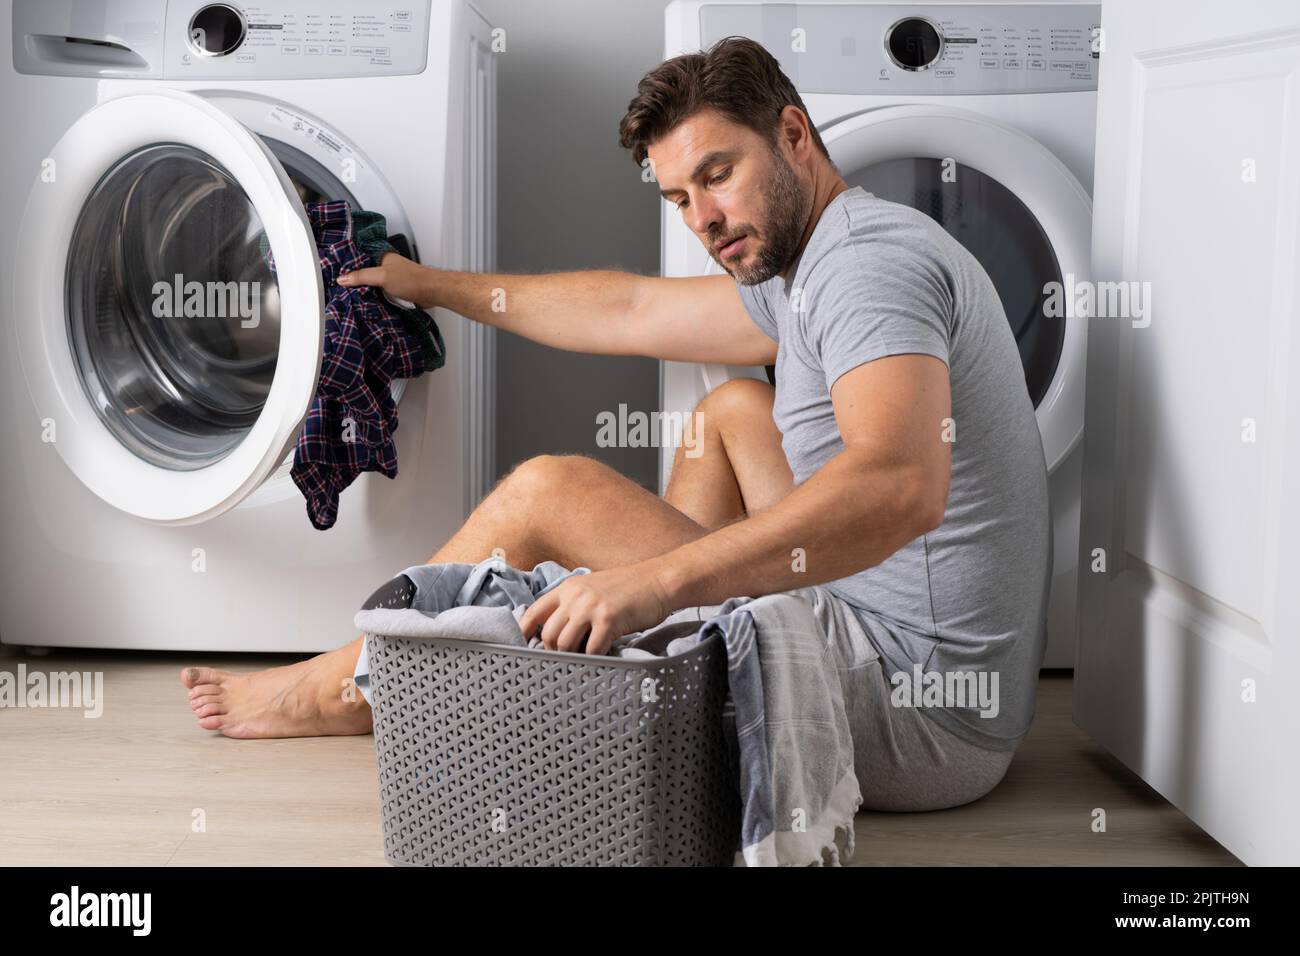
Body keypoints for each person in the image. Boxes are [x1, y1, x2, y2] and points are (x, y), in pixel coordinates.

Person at [180, 36, 1050, 811]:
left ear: (793, 135)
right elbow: (629, 311)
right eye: (679, 196)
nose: (703, 219)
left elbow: (900, 488)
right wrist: (429, 284)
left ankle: (346, 689)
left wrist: (661, 580)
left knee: (547, 492)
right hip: (896, 651)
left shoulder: (866, 268)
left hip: (921, 716)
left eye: (718, 175)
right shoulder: (804, 262)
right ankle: (669, 673)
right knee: (732, 413)